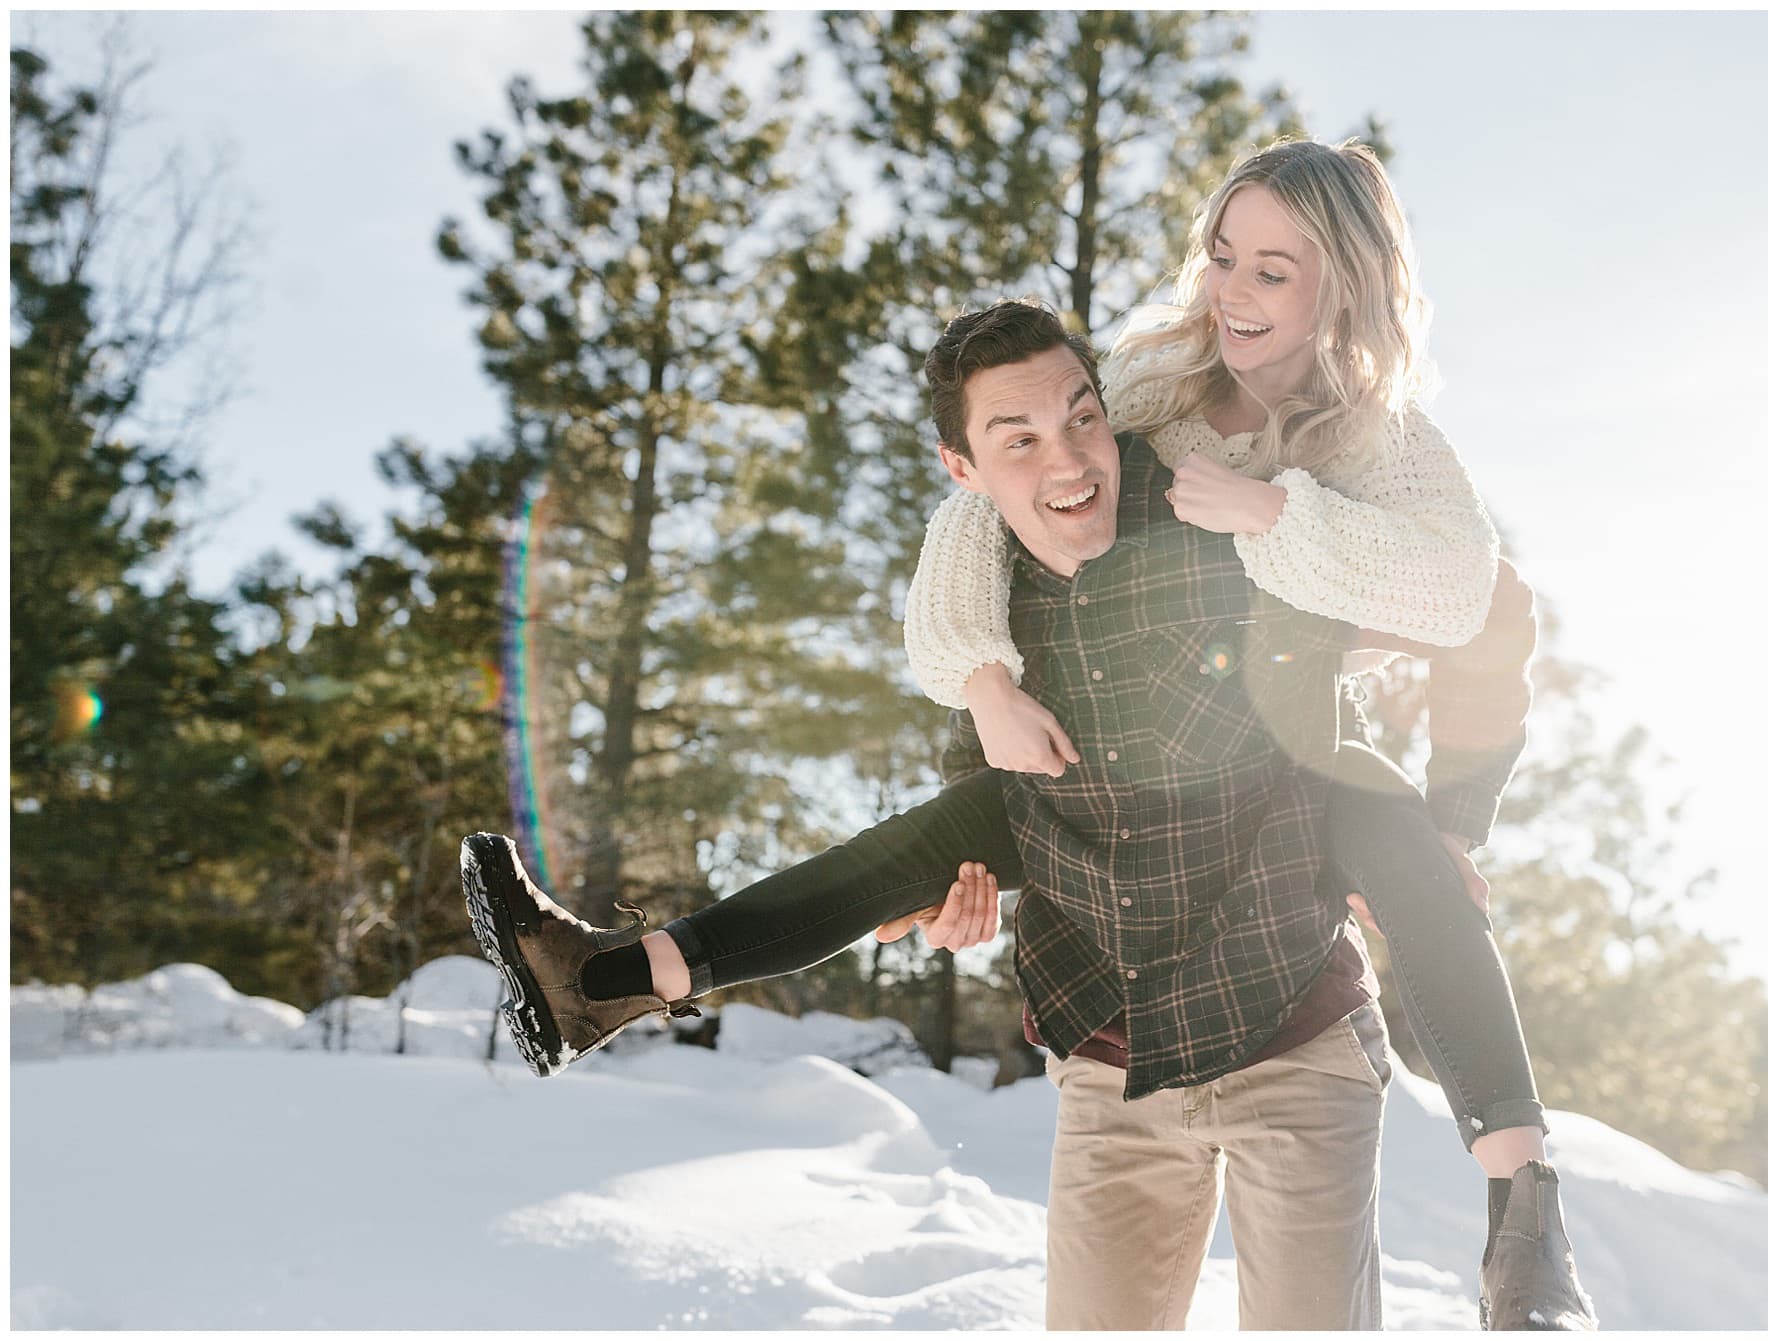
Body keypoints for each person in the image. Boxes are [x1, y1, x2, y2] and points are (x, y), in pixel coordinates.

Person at [463, 143, 1594, 1328]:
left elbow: (1477, 602)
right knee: (924, 838)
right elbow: (991, 507)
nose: (1234, 293)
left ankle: (1522, 1214)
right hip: (1103, 828)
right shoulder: (1154, 384)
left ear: (1347, 286)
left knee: (1390, 822)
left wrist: (1286, 535)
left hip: (1280, 760)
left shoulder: (1377, 440)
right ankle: (606, 980)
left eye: (1274, 270)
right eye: (1220, 259)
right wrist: (983, 686)